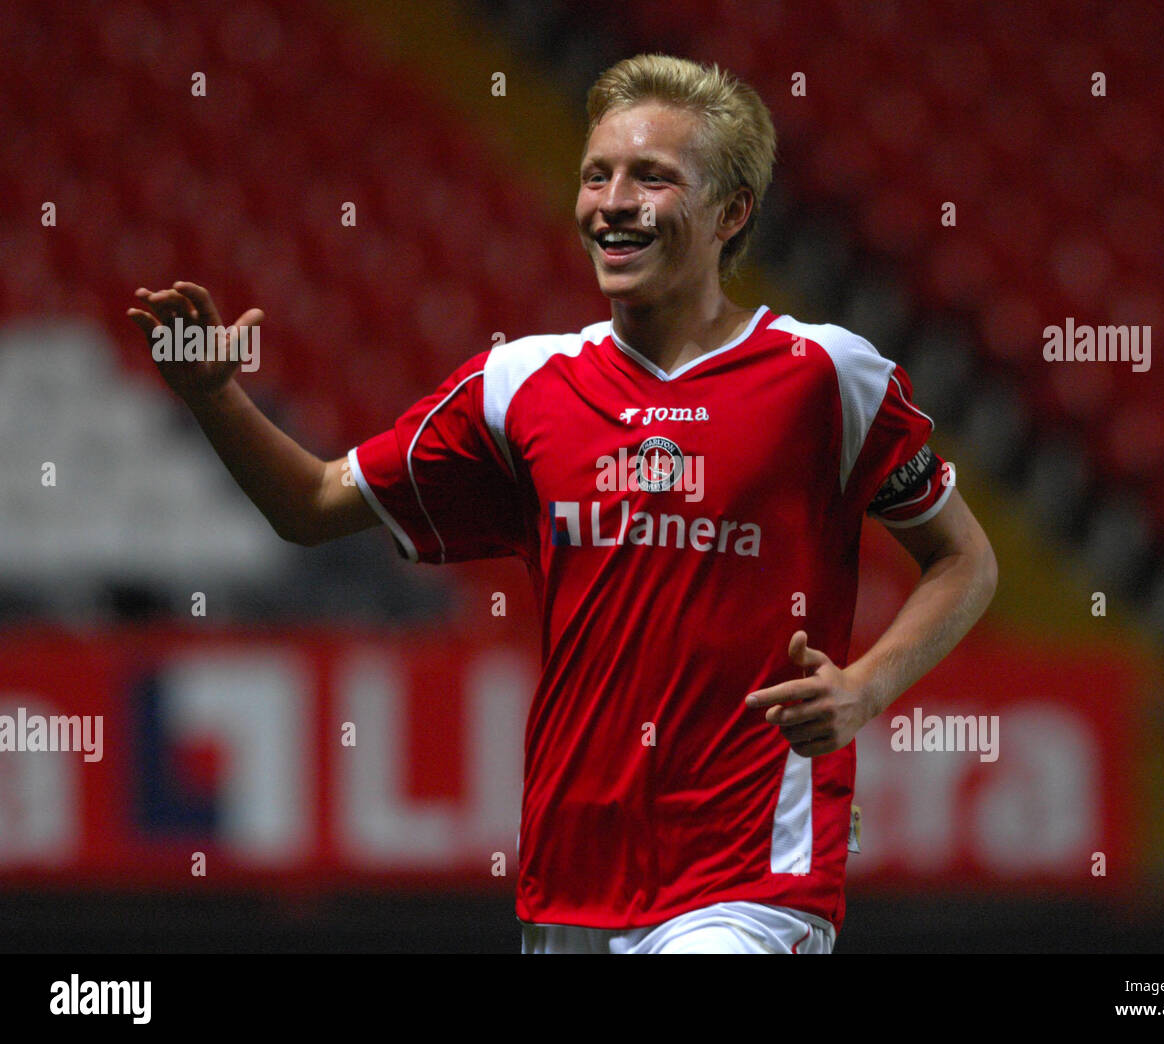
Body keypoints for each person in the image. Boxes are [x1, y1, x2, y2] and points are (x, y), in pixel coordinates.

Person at [127, 54, 997, 954]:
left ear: (733, 213)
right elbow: (310, 501)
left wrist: (863, 688)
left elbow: (965, 557)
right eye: (597, 174)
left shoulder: (826, 376)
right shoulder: (519, 387)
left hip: (753, 876)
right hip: (571, 879)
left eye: (652, 178)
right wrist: (212, 398)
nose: (612, 201)